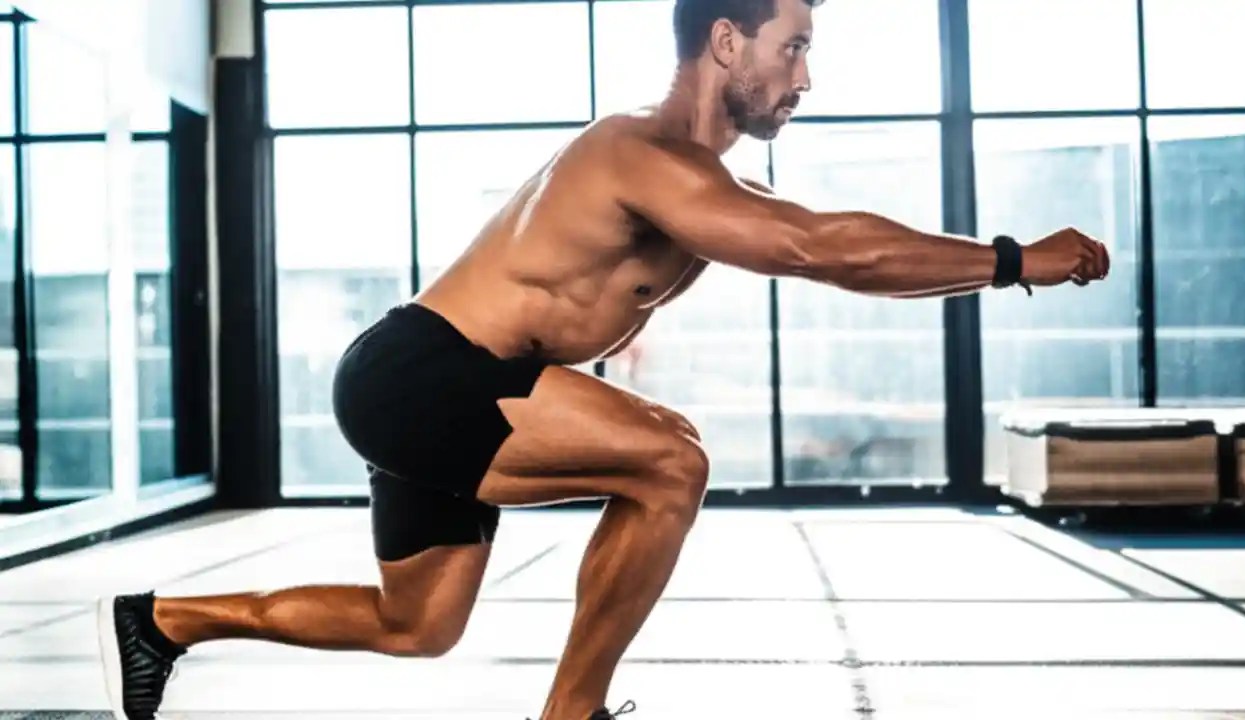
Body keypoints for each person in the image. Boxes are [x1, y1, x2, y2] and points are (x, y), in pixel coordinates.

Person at [96, 0, 1110, 718]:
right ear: (726, 42)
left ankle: (159, 622)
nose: (805, 77)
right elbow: (820, 248)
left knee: (417, 626)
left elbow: (830, 248)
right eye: (794, 47)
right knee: (671, 460)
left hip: (424, 383)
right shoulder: (643, 154)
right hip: (426, 375)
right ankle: (571, 717)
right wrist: (1013, 259)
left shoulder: (704, 184)